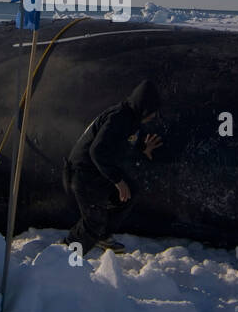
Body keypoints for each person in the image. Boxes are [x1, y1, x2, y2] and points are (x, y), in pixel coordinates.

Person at [63, 80, 163, 255]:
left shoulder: (131, 119)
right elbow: (97, 151)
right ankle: (66, 256)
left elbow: (120, 143)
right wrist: (117, 181)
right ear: (144, 106)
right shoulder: (118, 117)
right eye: (152, 112)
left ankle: (103, 236)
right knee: (93, 222)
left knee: (129, 193)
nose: (153, 117)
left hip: (96, 172)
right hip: (82, 173)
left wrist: (142, 149)